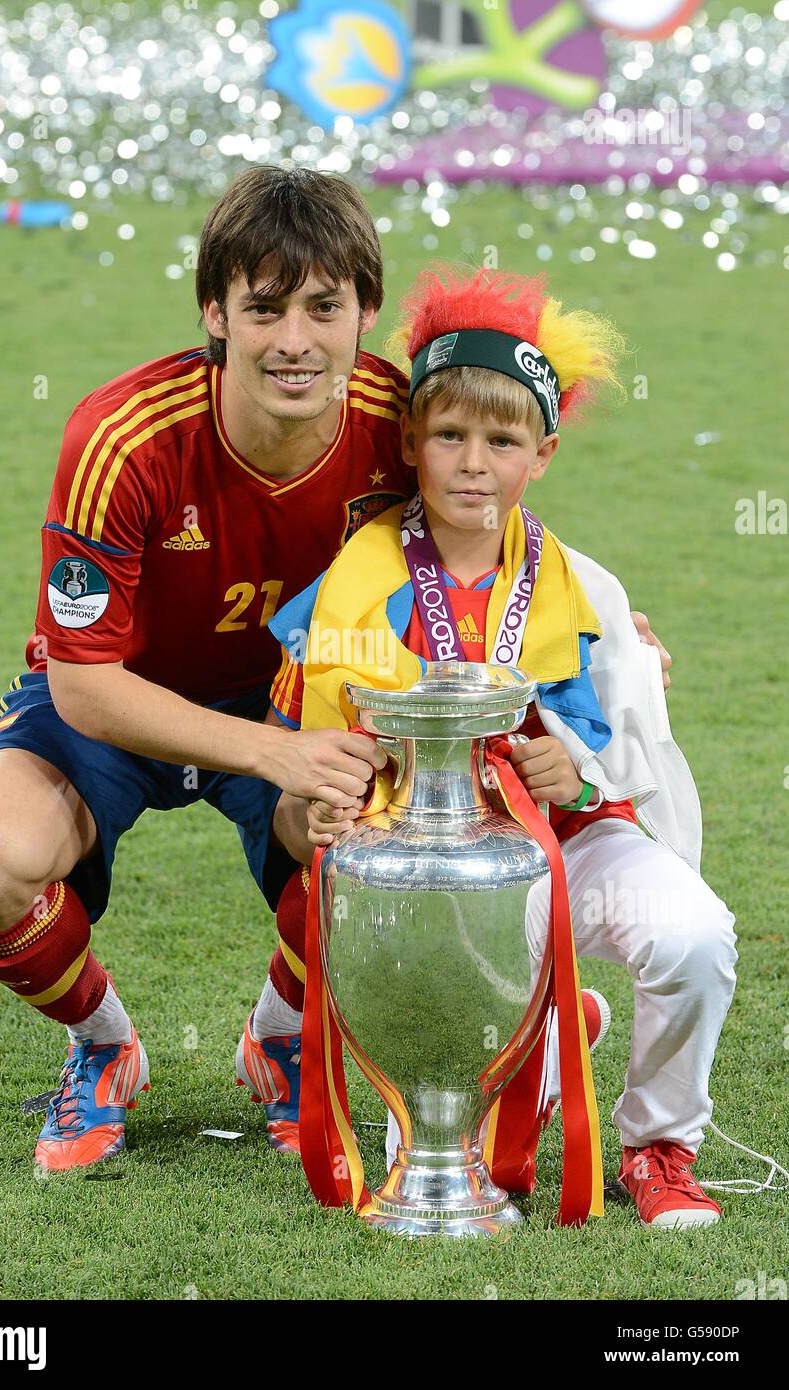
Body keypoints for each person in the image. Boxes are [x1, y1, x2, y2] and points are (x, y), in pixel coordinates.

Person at [0, 164, 669, 1175]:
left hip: (302, 699)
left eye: (324, 307)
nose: (295, 340)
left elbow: (489, 507)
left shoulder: (396, 416)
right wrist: (270, 753)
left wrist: (606, 623)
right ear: (215, 312)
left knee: (369, 820)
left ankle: (282, 1033)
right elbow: (83, 684)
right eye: (264, 307)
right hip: (122, 701)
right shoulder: (123, 439)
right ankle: (102, 1048)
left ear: (366, 311)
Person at [240, 266, 737, 1229]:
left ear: (540, 453)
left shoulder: (576, 582)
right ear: (412, 443)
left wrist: (571, 764)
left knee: (695, 937)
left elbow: (613, 751)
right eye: (450, 437)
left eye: (502, 441)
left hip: (557, 849)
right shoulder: (355, 581)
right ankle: (512, 1054)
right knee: (445, 1160)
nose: (474, 463)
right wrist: (326, 808)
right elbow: (300, 794)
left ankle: (660, 1147)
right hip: (419, 868)